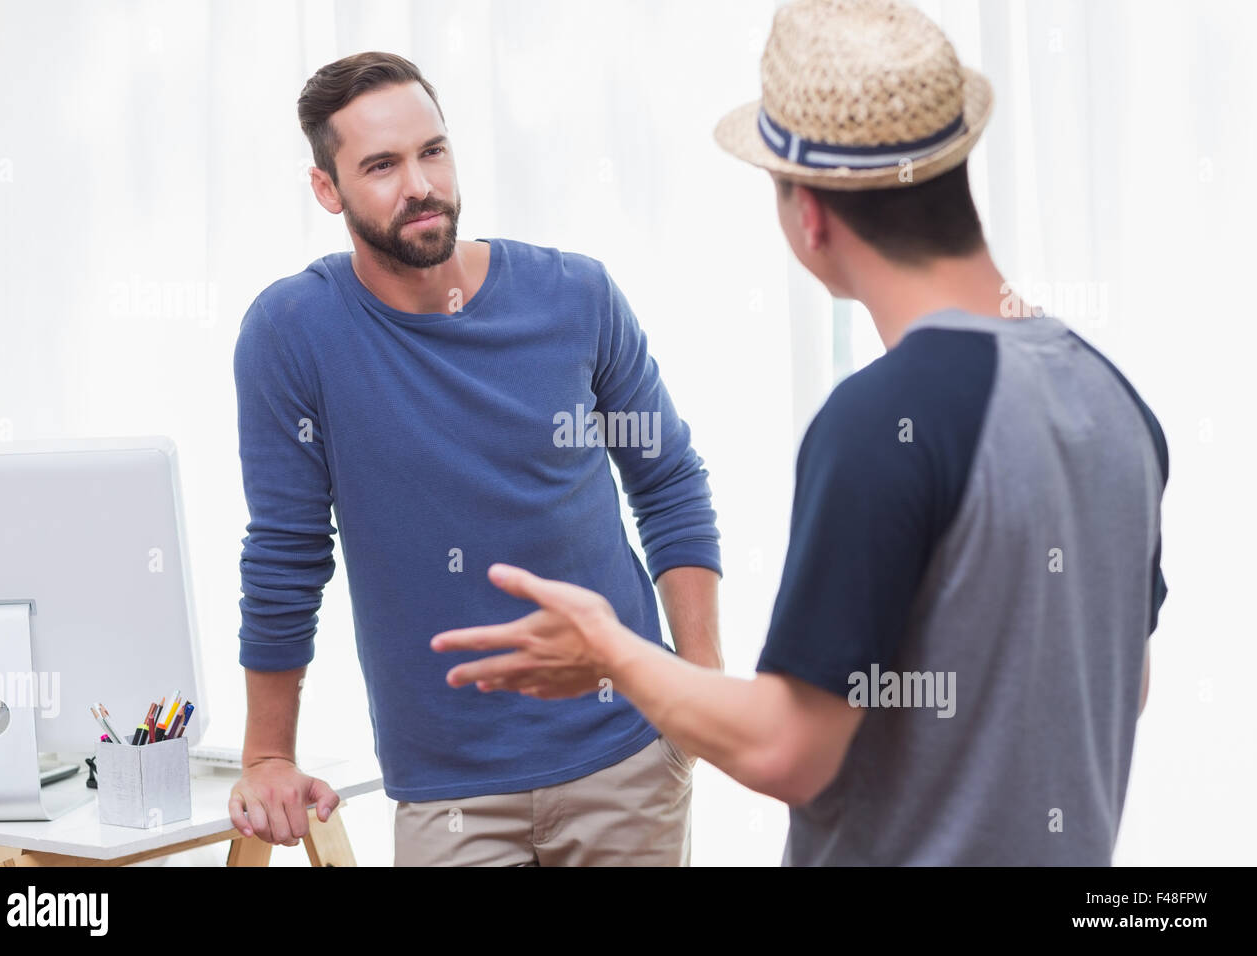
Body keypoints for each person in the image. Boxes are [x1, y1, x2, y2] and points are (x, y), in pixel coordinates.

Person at [432, 0, 1167, 866]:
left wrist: (612, 652)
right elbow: (1125, 681)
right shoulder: (1114, 398)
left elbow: (788, 751)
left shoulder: (882, 422)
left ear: (809, 215)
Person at [227, 51, 722, 866]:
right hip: (447, 787)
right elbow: (286, 549)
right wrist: (267, 754)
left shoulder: (577, 296)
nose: (419, 184)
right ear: (328, 189)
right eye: (381, 165)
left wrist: (698, 683)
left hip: (627, 759)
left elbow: (668, 482)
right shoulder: (292, 334)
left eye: (433, 151)